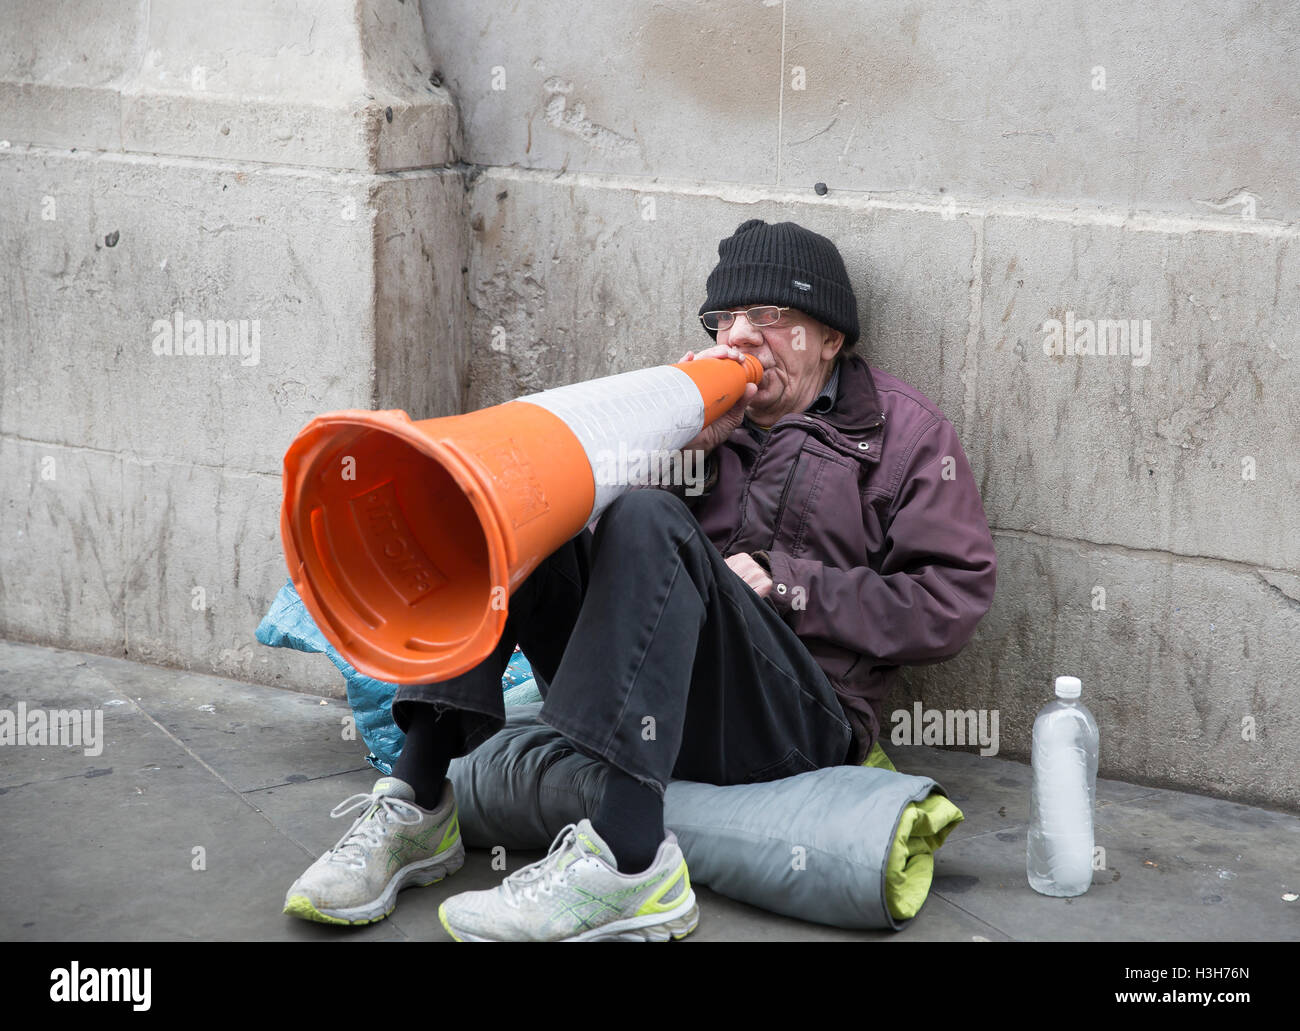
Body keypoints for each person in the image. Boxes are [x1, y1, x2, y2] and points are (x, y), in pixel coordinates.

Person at [282, 218, 997, 941]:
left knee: (650, 520)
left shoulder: (904, 435)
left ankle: (629, 862)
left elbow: (952, 601)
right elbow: (621, 565)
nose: (740, 336)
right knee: (526, 513)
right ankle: (416, 800)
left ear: (831, 337)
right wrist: (669, 451)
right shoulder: (705, 417)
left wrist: (790, 584)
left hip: (797, 716)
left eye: (769, 318)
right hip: (662, 701)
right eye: (725, 319)